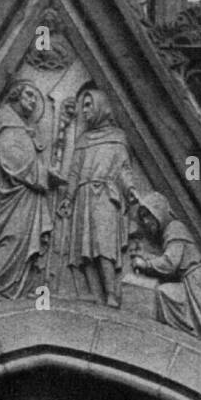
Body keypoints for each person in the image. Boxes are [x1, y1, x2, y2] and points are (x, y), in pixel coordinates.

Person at [131, 191, 201, 355]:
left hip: (197, 277)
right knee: (167, 293)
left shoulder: (175, 228)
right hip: (188, 279)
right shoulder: (168, 232)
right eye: (143, 218)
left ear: (159, 211)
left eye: (148, 216)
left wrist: (145, 264)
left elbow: (170, 263)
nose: (146, 221)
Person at [0, 80, 64, 305]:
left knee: (23, 243)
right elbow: (14, 162)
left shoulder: (20, 127)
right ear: (14, 96)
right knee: (12, 240)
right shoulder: (6, 122)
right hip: (14, 198)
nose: (33, 100)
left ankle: (17, 288)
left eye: (36, 97)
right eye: (28, 94)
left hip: (27, 196)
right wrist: (45, 175)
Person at [59, 86, 135, 307]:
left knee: (103, 246)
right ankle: (94, 294)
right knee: (84, 249)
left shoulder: (118, 138)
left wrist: (130, 189)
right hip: (83, 197)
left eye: (89, 104)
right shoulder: (83, 140)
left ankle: (112, 293)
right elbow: (74, 172)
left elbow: (124, 169)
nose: (84, 110)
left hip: (104, 196)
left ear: (102, 106)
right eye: (83, 105)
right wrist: (68, 198)